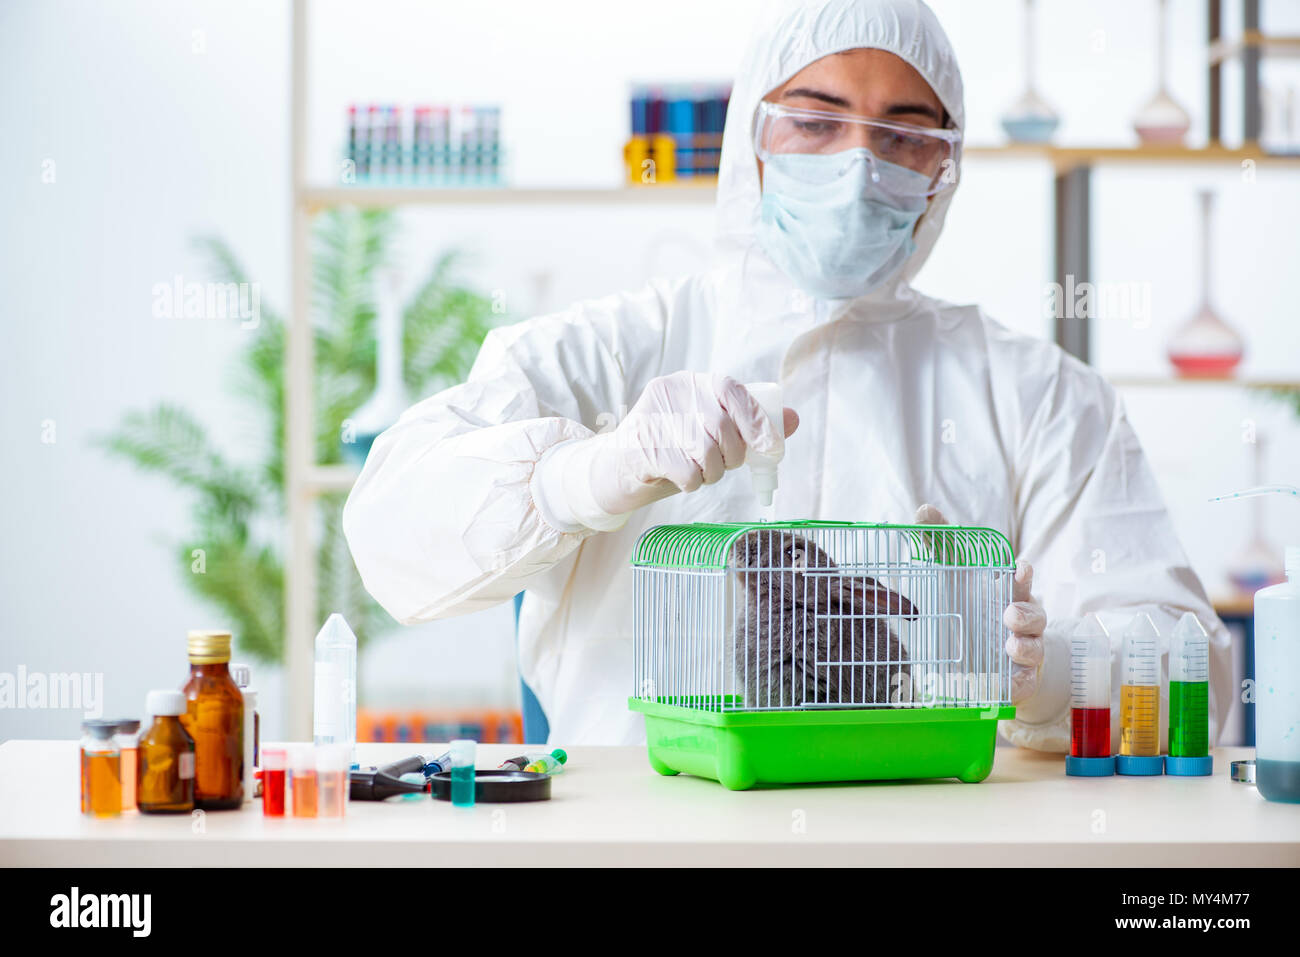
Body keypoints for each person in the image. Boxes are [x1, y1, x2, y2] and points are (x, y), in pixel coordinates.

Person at [343, 0, 1233, 749]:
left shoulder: (1039, 395)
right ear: (753, 138)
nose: (857, 166)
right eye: (815, 120)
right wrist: (586, 473)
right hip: (644, 838)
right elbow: (388, 533)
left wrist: (1049, 676)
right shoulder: (615, 347)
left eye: (904, 137)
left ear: (945, 169)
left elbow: (1197, 667)